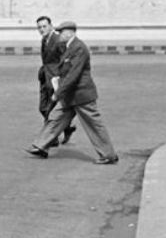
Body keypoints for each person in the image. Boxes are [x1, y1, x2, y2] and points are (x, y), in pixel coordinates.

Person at [25, 21, 118, 164]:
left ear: (70, 33)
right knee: (55, 118)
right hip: (70, 96)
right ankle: (40, 146)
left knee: (94, 125)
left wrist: (58, 92)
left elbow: (73, 75)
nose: (59, 35)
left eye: (61, 32)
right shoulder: (69, 47)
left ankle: (108, 155)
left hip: (82, 95)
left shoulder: (79, 48)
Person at [36, 16, 76, 146]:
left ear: (51, 26)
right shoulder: (44, 40)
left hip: (55, 79)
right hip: (45, 78)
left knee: (50, 109)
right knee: (42, 108)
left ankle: (50, 139)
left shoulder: (58, 40)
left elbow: (65, 59)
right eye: (39, 27)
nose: (42, 29)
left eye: (44, 26)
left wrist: (62, 77)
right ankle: (67, 127)